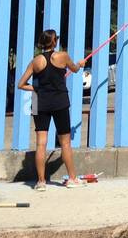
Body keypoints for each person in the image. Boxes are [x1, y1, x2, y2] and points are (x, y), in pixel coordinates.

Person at [17, 29, 84, 190]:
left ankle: (41, 182)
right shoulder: (63, 56)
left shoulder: (35, 61)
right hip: (60, 101)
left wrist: (37, 88)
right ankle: (72, 179)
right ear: (54, 42)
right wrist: (80, 64)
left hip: (39, 102)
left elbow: (21, 84)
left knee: (41, 143)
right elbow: (74, 69)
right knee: (65, 142)